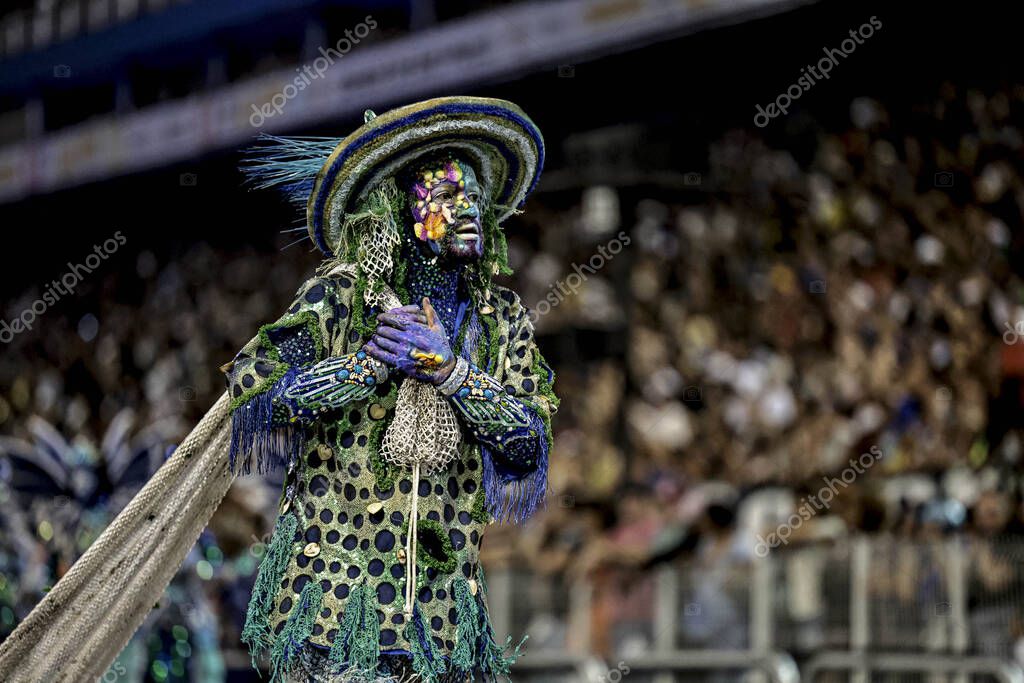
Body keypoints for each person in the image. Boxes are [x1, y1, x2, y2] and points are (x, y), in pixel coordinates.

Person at [228, 97, 559, 682]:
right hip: (332, 615)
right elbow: (258, 389)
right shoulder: (342, 299)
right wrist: (366, 368)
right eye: (446, 195)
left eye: (475, 198)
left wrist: (452, 372)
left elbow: (529, 441)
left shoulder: (499, 318)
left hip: (445, 625)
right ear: (399, 209)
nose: (467, 210)